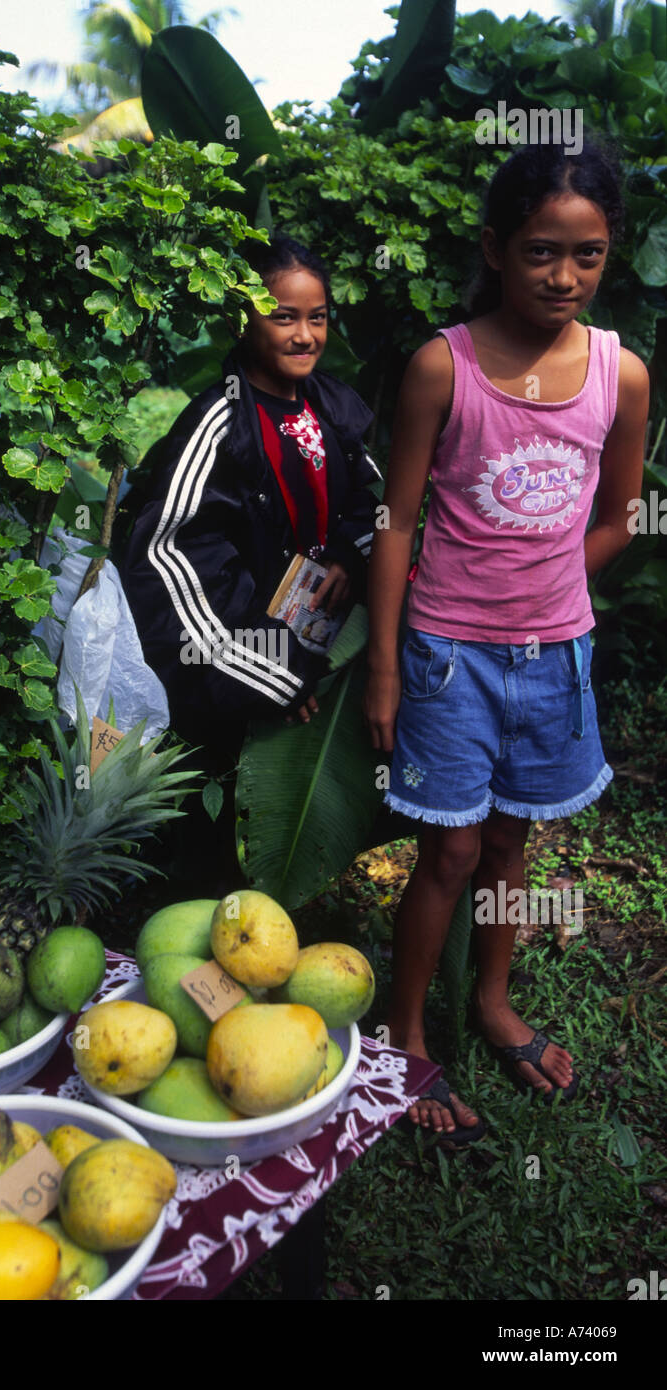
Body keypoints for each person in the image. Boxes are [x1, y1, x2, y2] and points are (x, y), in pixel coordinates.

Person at [363, 140, 649, 1145]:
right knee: (443, 850)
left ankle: (488, 999)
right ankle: (401, 1029)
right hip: (447, 655)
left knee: (509, 846)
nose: (562, 277)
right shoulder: (441, 366)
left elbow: (618, 513)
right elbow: (394, 523)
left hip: (554, 658)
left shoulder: (620, 374)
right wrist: (388, 668)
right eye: (538, 253)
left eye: (586, 254)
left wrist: (555, 585)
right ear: (493, 249)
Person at [121, 235, 380, 890]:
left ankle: (271, 912)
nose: (304, 335)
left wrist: (351, 551)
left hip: (311, 641)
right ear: (247, 319)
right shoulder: (220, 421)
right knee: (213, 812)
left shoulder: (331, 407)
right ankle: (197, 922)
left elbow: (373, 501)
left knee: (274, 816)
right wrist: (263, 668)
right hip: (240, 657)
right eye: (283, 316)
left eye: (317, 317)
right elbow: (172, 552)